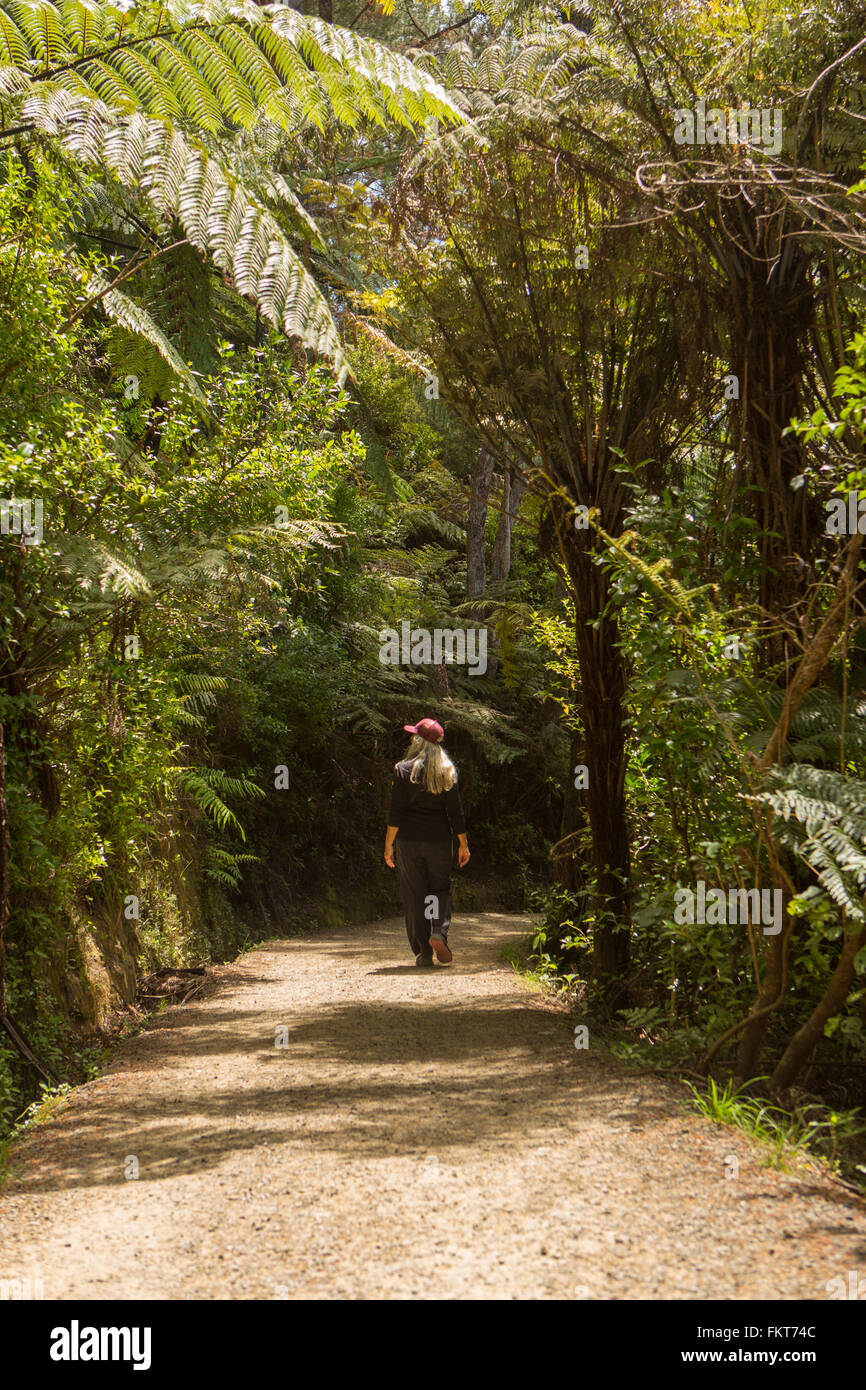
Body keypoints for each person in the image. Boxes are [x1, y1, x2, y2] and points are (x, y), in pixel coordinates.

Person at [384, 718, 470, 966]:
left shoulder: (402, 769)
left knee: (415, 895)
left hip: (409, 843)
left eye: (414, 735)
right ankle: (438, 932)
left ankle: (424, 953)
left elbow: (396, 812)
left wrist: (389, 844)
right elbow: (456, 813)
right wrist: (463, 844)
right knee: (438, 890)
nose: (411, 738)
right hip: (439, 842)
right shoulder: (447, 771)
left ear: (418, 741)